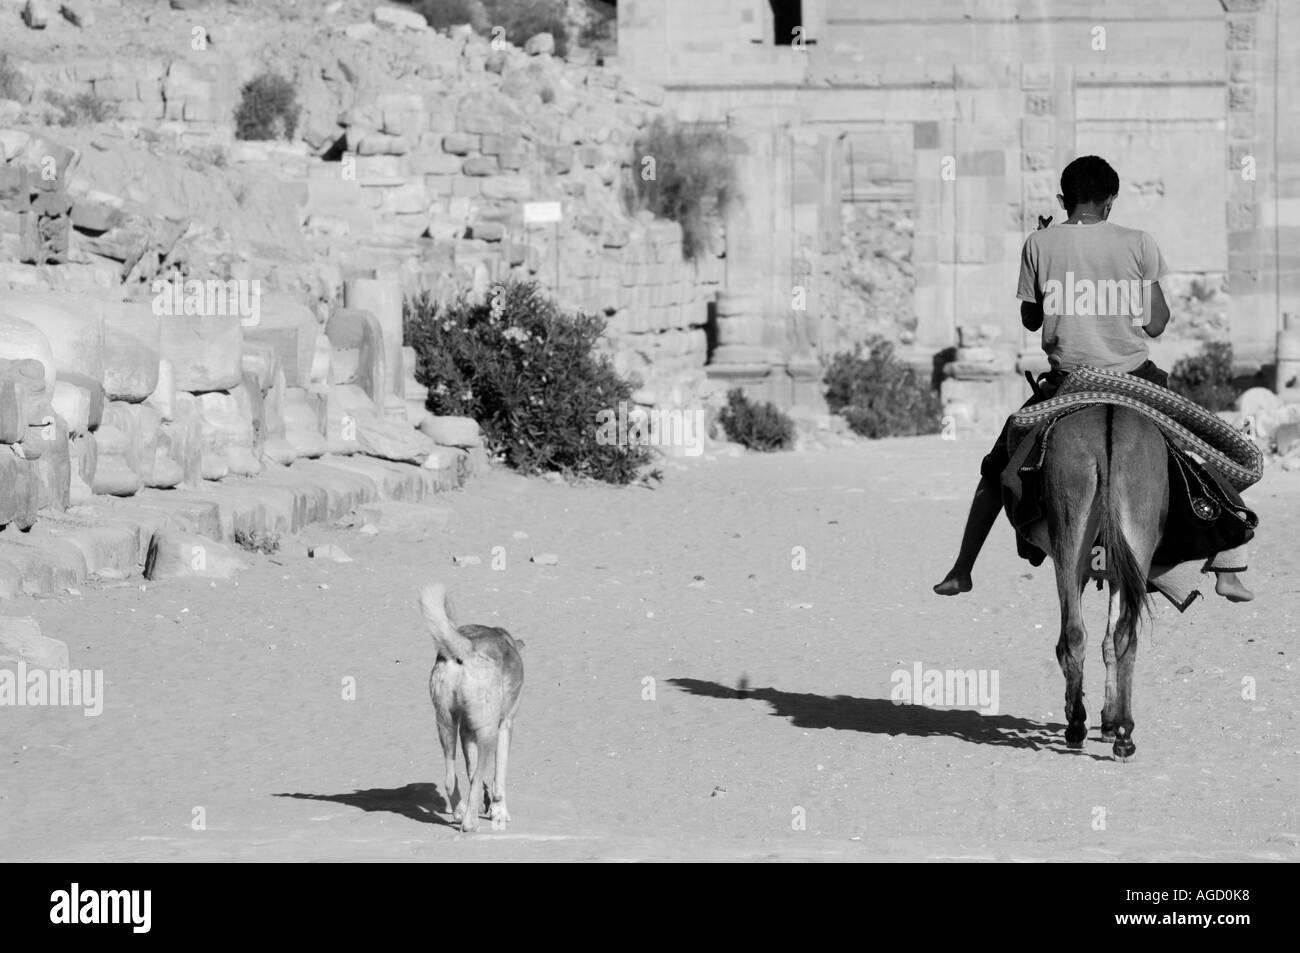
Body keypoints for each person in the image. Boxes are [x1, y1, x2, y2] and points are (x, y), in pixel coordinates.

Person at [933, 155, 1253, 602]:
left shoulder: (1038, 243)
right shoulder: (1139, 243)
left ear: (1064, 200)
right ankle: (1227, 567)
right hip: (1136, 379)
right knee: (1205, 452)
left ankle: (962, 569)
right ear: (1110, 203)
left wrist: (1051, 258)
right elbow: (1156, 324)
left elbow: (1030, 319)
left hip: (1069, 383)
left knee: (996, 468)